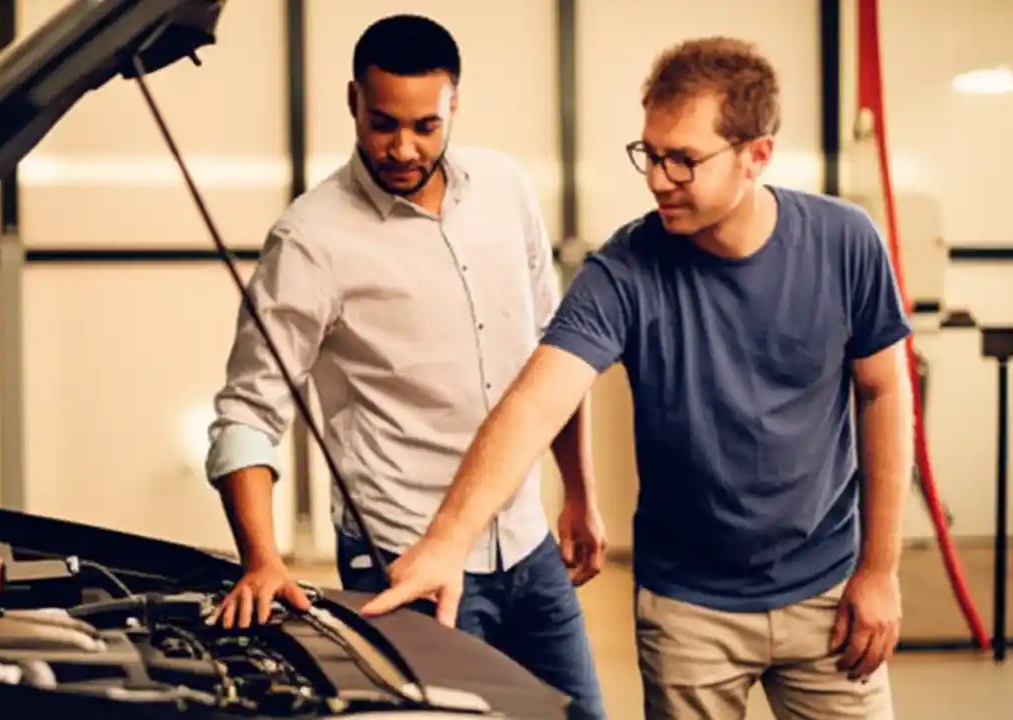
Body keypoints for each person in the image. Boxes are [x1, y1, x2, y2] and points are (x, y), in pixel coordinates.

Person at [361, 36, 913, 720]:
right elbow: (537, 400)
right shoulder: (626, 268)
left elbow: (884, 391)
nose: (657, 179)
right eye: (649, 154)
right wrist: (448, 539)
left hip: (829, 591)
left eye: (682, 160)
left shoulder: (845, 242)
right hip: (689, 611)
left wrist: (880, 571)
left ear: (756, 155)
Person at [201, 13, 608, 719]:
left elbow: (556, 354)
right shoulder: (310, 241)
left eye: (425, 125)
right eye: (383, 122)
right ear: (353, 100)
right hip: (402, 559)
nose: (402, 147)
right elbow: (247, 410)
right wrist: (262, 559)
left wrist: (578, 492)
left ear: (455, 104)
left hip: (525, 539)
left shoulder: (508, 189)